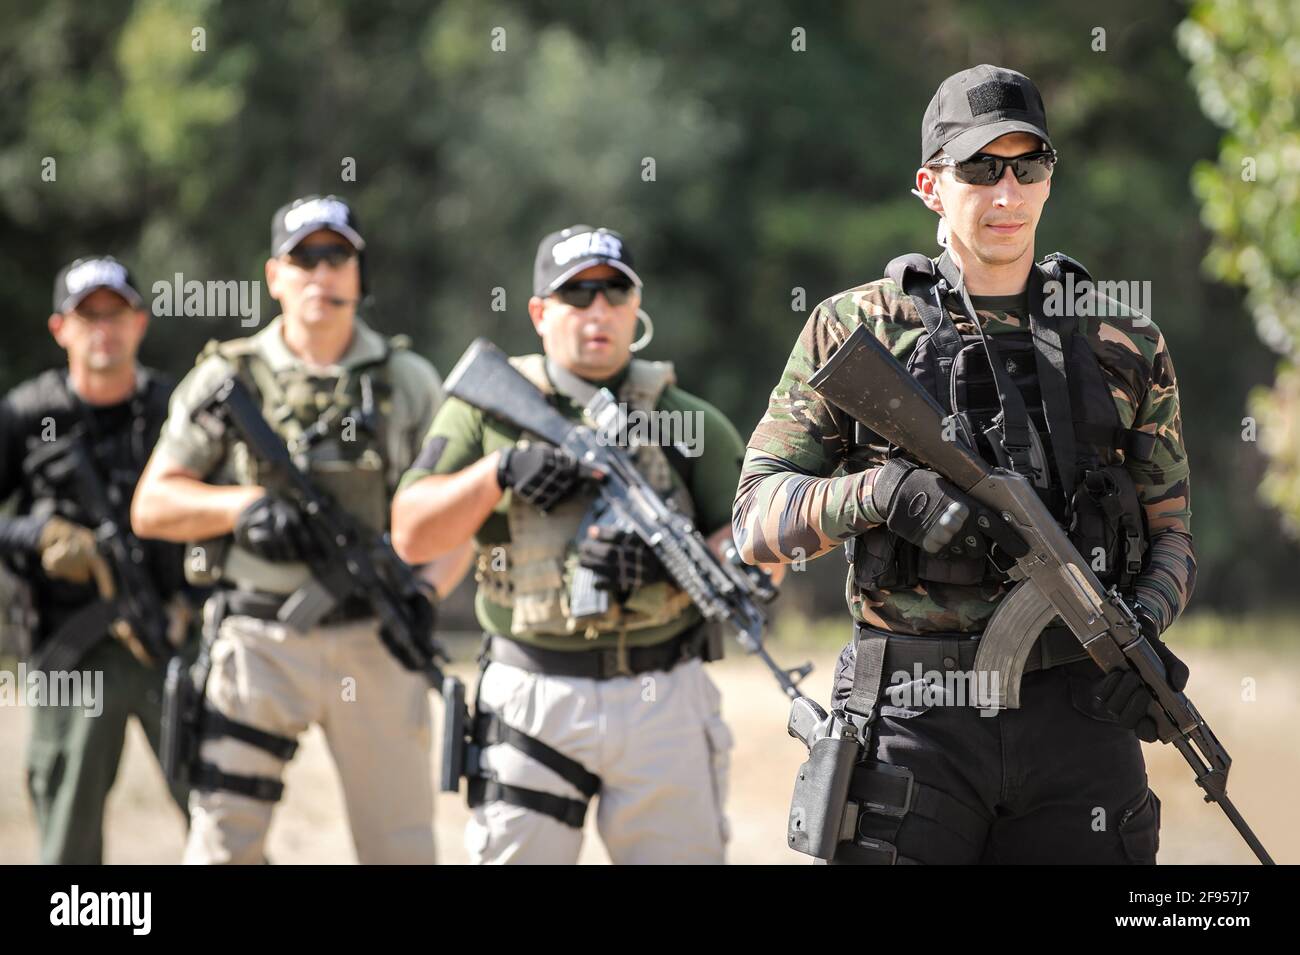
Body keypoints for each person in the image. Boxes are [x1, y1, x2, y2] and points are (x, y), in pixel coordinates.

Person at [734, 65, 1195, 864]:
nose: (1006, 193)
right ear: (930, 185)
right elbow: (755, 521)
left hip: (1079, 717)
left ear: (1050, 178)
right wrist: (882, 492)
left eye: (1029, 166)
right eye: (980, 168)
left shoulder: (1124, 341)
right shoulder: (856, 328)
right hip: (911, 722)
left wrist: (1142, 628)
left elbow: (1174, 536)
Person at [392, 225, 783, 864]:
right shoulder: (484, 413)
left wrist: (668, 566)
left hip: (664, 696)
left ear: (636, 308)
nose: (597, 310)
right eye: (576, 294)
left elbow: (762, 549)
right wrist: (497, 472)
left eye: (614, 293)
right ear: (539, 313)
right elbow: (411, 534)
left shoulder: (690, 420)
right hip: (531, 694)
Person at [131, 194, 468, 864]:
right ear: (274, 276)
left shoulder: (407, 380)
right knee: (223, 844)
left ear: (359, 275)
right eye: (303, 257)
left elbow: (455, 517)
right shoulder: (227, 376)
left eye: (336, 256)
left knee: (401, 848)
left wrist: (425, 593)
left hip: (376, 641)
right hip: (258, 643)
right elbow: (152, 505)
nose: (321, 272)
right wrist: (242, 509)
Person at [0, 255, 191, 863]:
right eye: (88, 316)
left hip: (174, 637)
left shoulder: (174, 408)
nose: (103, 329)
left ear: (140, 322)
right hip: (72, 649)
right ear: (61, 329)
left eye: (116, 314)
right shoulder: (26, 414)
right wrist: (37, 535)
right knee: (68, 834)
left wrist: (195, 599)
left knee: (224, 806)